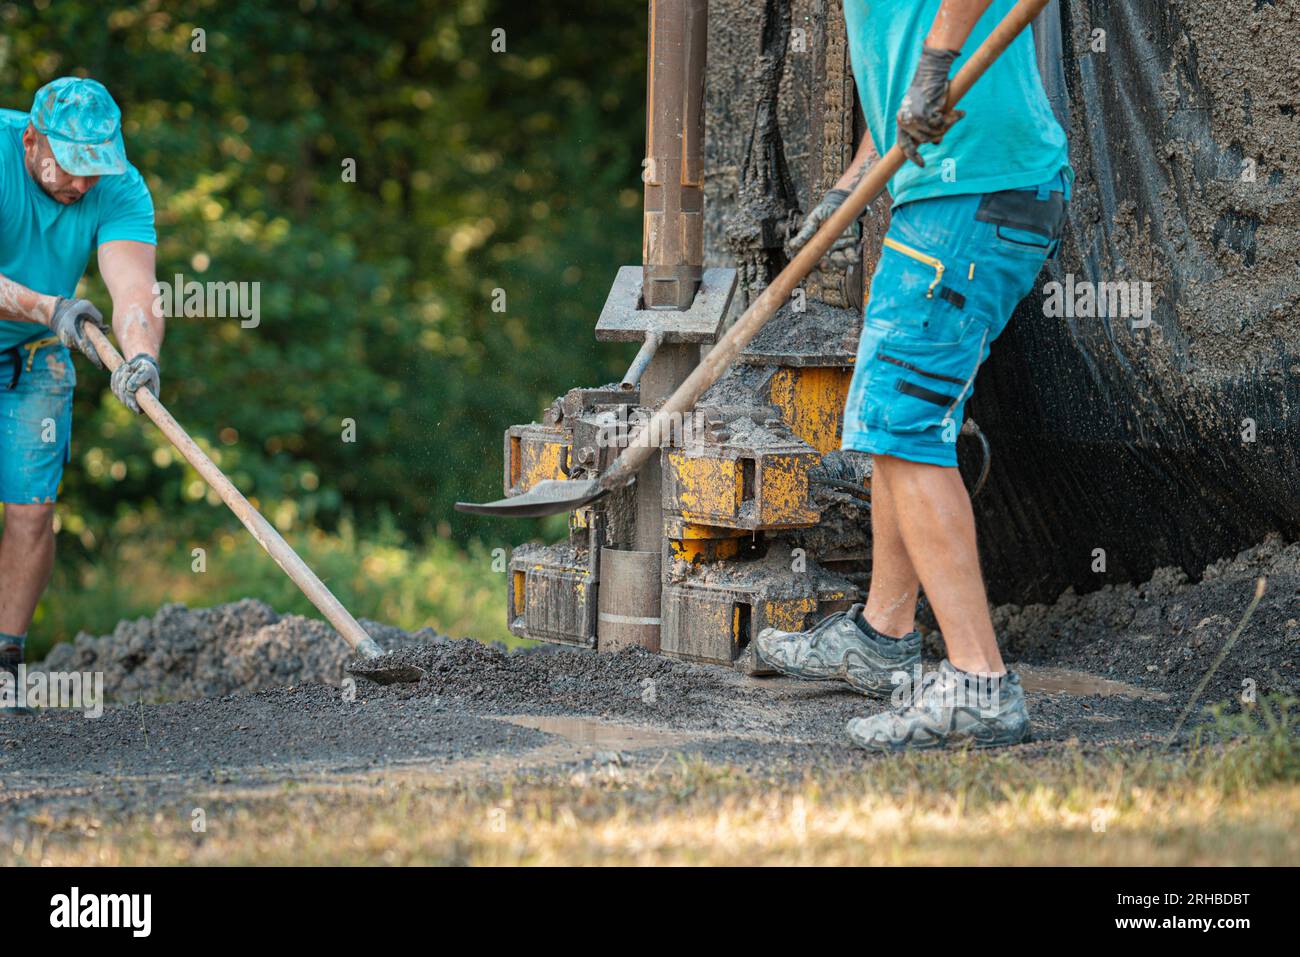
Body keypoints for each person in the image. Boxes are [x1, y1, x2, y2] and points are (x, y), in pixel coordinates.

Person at [755, 0, 1071, 749]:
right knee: (890, 417)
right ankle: (883, 632)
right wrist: (851, 183)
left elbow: (930, 68)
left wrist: (937, 66)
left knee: (900, 418)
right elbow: (904, 92)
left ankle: (979, 683)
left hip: (977, 187)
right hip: (944, 194)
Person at [0, 77, 162, 716]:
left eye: (95, 170)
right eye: (71, 167)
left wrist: (142, 354)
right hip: (42, 320)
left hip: (35, 353)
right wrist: (51, 307)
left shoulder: (118, 184)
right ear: (33, 140)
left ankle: (5, 667)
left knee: (31, 512)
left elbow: (133, 289)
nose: (82, 185)